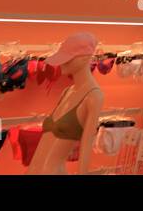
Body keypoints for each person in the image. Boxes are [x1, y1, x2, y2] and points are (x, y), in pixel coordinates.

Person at [27, 32, 104, 175]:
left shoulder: (94, 96)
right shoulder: (67, 92)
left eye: (67, 59)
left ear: (84, 58)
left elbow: (86, 148)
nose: (61, 63)